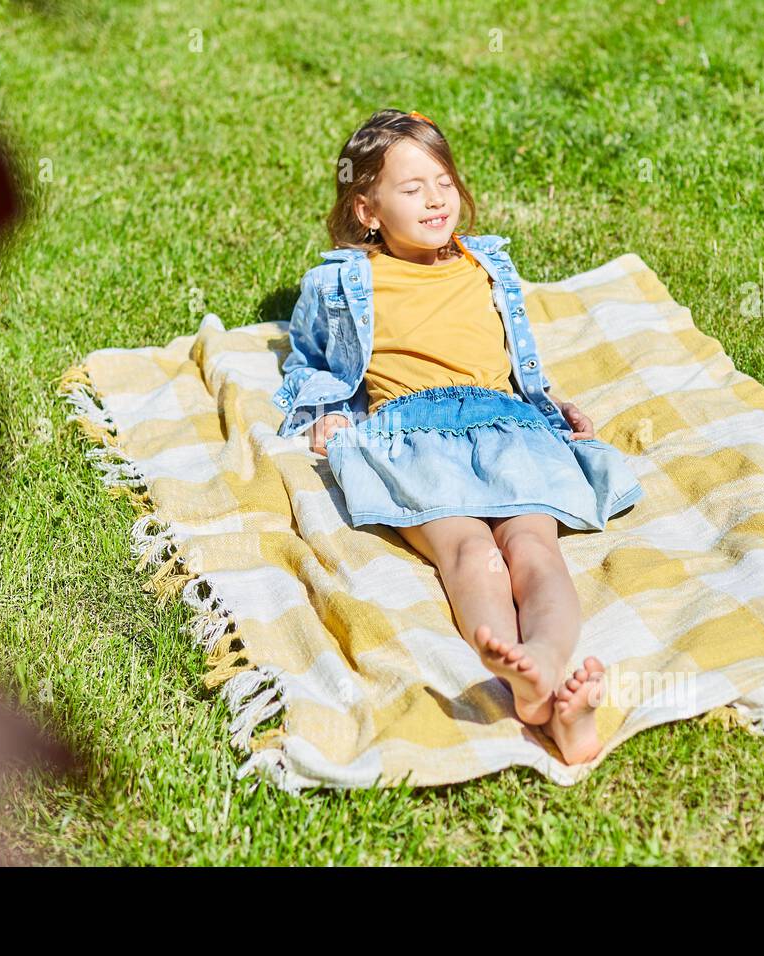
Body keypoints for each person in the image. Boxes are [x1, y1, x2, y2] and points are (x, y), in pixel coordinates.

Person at [271, 109, 644, 763]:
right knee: (473, 556)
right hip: (413, 434)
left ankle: (548, 676)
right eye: (412, 189)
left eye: (443, 180)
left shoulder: (486, 262)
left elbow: (510, 355)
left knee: (534, 551)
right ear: (367, 209)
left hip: (508, 426)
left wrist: (551, 400)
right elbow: (312, 360)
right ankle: (531, 686)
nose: (437, 198)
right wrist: (323, 414)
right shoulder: (341, 280)